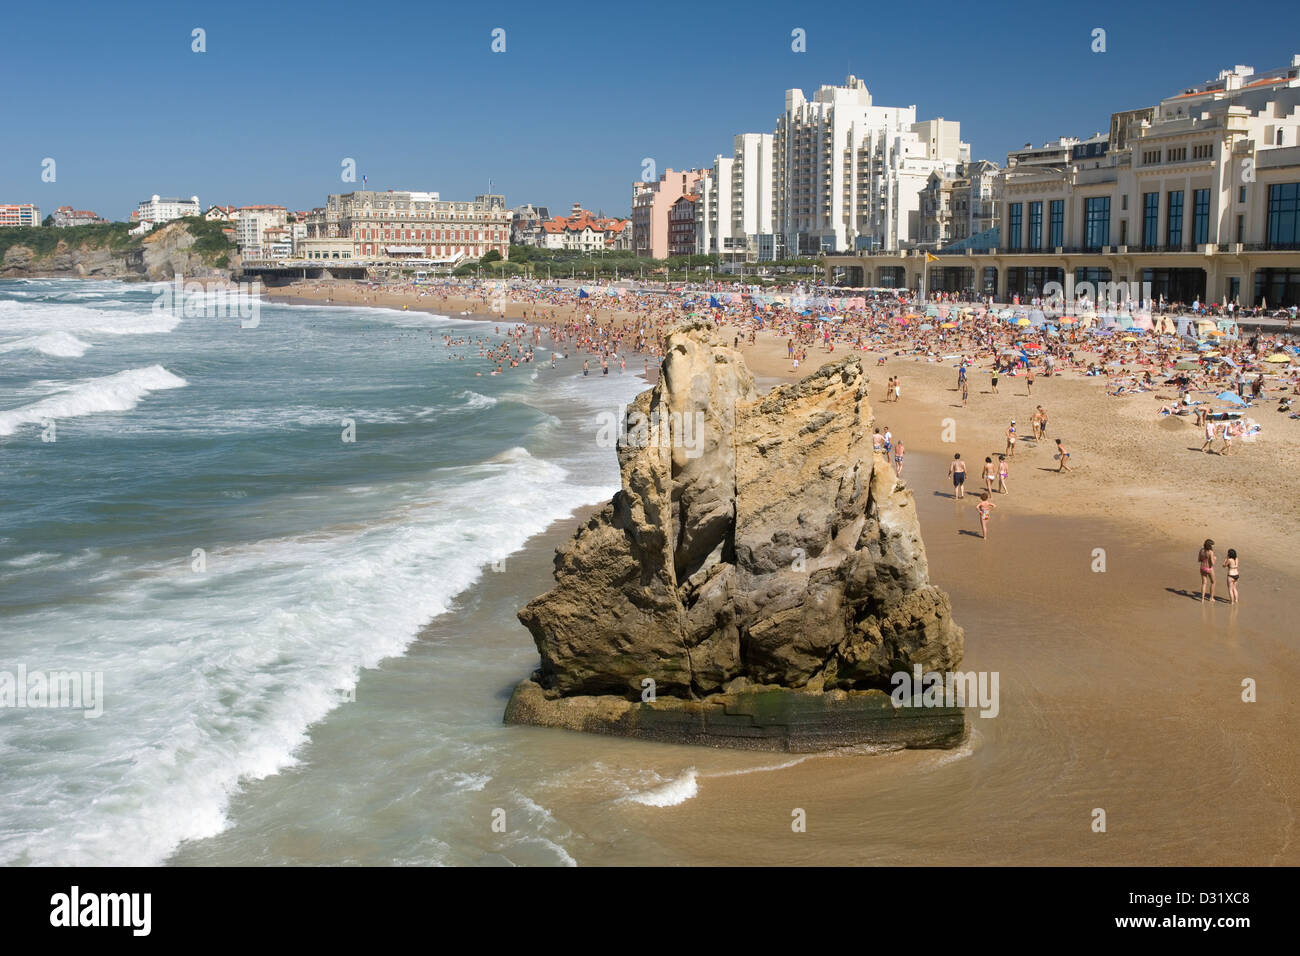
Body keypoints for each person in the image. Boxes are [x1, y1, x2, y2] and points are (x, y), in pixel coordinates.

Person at [1198, 539, 1216, 603]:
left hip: (1202, 567)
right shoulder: (1210, 552)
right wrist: (1215, 559)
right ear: (1210, 545)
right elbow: (1212, 563)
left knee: (1204, 583)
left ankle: (1202, 599)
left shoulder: (1201, 550)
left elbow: (1199, 559)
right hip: (1209, 568)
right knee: (1213, 582)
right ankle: (1211, 598)